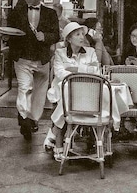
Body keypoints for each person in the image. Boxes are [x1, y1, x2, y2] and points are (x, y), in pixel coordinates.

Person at [7, 0, 60, 140]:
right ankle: (24, 120)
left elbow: (56, 35)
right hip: (22, 58)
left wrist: (45, 37)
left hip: (41, 59)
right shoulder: (18, 12)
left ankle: (32, 119)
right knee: (25, 88)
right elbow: (10, 29)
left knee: (39, 93)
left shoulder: (50, 14)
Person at [42, 21, 101, 156]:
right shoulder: (60, 53)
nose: (82, 37)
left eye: (82, 34)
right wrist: (84, 72)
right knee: (68, 94)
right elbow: (60, 73)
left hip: (86, 92)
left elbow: (96, 71)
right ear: (69, 39)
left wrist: (74, 69)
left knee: (72, 95)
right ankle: (57, 140)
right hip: (62, 90)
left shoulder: (90, 52)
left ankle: (54, 133)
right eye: (77, 34)